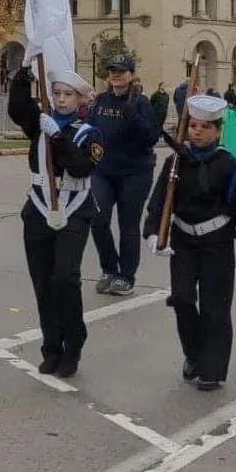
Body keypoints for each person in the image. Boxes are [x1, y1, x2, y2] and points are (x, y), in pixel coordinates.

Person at [143, 95, 236, 391]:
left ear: (218, 131)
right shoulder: (174, 162)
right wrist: (153, 232)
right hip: (184, 239)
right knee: (182, 298)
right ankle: (193, 352)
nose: (197, 132)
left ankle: (212, 369)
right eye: (193, 125)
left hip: (217, 242)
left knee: (215, 307)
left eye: (205, 127)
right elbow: (159, 201)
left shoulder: (229, 165)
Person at [9, 64, 103, 378]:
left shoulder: (89, 133)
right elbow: (18, 110)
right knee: (43, 282)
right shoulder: (40, 124)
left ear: (80, 100)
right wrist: (22, 80)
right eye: (58, 94)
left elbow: (80, 168)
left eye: (68, 95)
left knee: (64, 277)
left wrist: (58, 138)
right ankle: (51, 347)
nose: (61, 100)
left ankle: (73, 343)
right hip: (38, 207)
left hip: (74, 208)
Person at [87, 54, 158, 296]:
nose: (116, 75)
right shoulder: (100, 101)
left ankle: (126, 275)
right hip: (103, 172)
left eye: (121, 71)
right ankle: (109, 268)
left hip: (134, 173)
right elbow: (91, 132)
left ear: (131, 74)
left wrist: (132, 116)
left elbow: (150, 137)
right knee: (97, 217)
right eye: (112, 71)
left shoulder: (141, 103)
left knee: (128, 224)